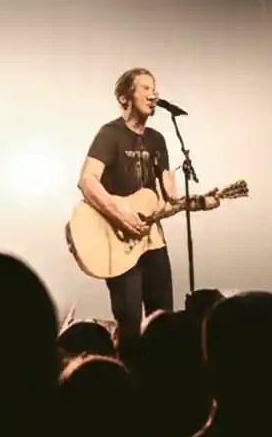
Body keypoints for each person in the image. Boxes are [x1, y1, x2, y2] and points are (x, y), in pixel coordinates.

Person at [77, 67, 218, 353]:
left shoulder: (157, 140)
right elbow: (87, 181)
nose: (153, 94)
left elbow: (168, 200)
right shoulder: (110, 134)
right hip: (119, 240)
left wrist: (199, 203)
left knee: (163, 319)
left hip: (153, 241)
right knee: (130, 323)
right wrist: (121, 216)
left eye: (154, 89)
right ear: (124, 97)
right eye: (145, 88)